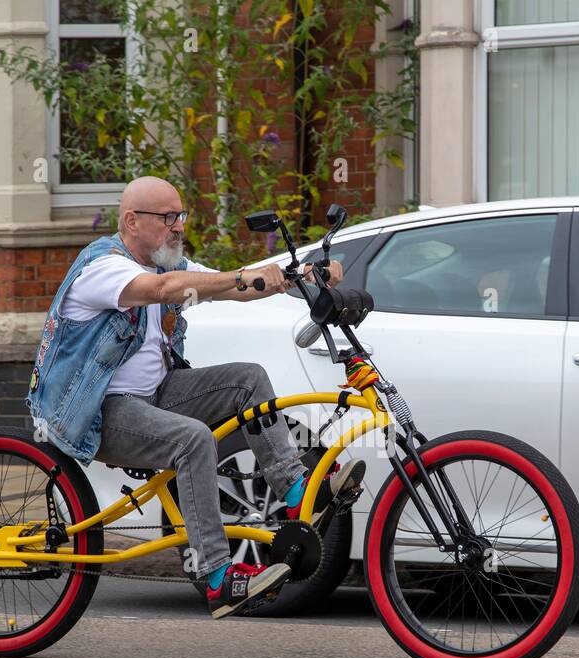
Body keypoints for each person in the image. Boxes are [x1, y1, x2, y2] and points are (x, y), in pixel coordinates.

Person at [26, 176, 363, 618]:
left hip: (154, 396)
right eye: (168, 218)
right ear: (131, 221)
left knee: (248, 380)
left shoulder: (167, 264)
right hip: (97, 413)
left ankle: (296, 491)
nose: (178, 226)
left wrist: (298, 277)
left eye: (180, 216)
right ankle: (218, 576)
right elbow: (162, 292)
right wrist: (242, 276)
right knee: (193, 439)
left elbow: (230, 286)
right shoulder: (103, 268)